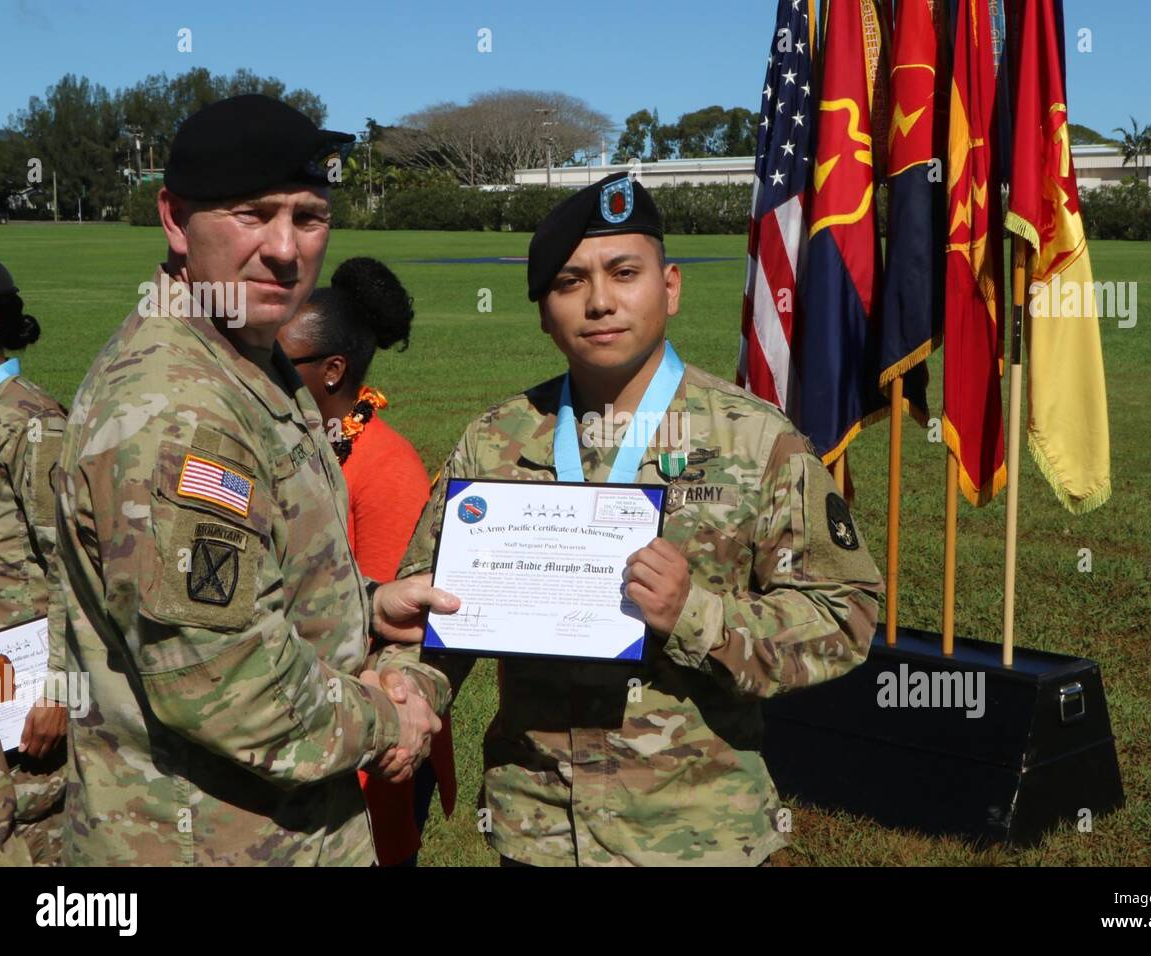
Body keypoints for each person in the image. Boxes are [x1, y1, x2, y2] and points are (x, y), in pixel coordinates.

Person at [396, 172, 884, 866]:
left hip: (700, 834)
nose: (599, 302)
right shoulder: (496, 441)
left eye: (624, 273)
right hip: (537, 831)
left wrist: (697, 614)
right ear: (542, 313)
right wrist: (412, 689)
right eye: (569, 283)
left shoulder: (755, 439)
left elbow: (846, 612)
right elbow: (429, 608)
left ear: (671, 286)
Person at [52, 95, 457, 866]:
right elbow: (227, 687)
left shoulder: (248, 357)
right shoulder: (179, 410)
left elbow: (226, 591)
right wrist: (387, 720)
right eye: (252, 213)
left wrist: (364, 607)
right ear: (175, 219)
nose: (284, 247)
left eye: (308, 216)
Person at [277, 258, 457, 866]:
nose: (265, 374)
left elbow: (397, 636)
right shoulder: (299, 450)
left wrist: (379, 728)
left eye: (282, 362)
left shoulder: (385, 467)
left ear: (331, 371)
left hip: (370, 737)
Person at [0, 256, 68, 865]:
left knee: (34, 845)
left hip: (27, 694)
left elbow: (77, 567)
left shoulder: (31, 424)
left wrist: (63, 690)